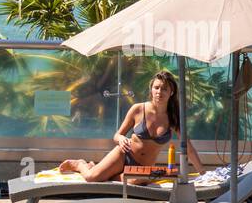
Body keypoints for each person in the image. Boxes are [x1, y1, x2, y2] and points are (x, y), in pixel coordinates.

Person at [58, 71, 201, 183]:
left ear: (172, 92)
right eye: (156, 87)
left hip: (143, 168)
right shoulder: (138, 109)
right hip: (124, 155)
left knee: (134, 181)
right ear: (151, 89)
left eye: (164, 89)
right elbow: (117, 135)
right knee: (91, 178)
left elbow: (188, 147)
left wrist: (203, 173)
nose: (159, 92)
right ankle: (80, 164)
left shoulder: (173, 117)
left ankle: (94, 167)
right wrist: (121, 139)